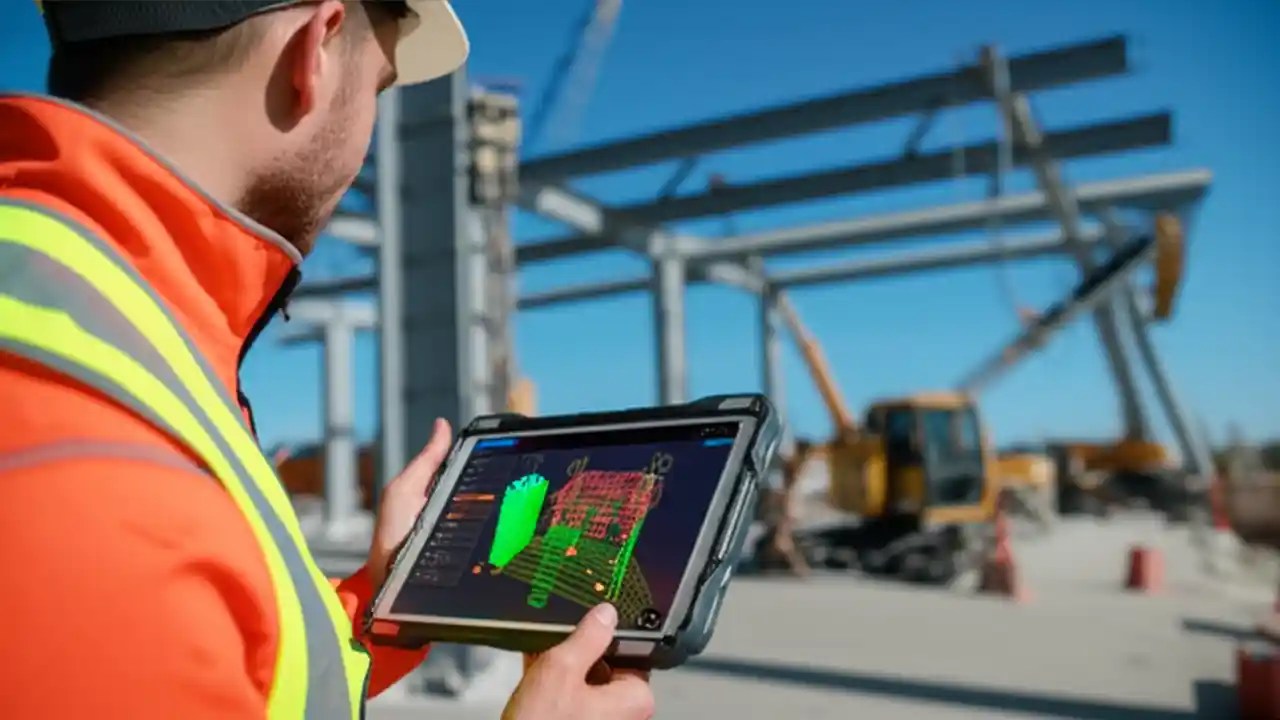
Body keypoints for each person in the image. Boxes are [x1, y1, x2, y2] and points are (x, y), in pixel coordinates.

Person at [0, 2, 654, 719]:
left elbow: (216, 667)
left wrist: (385, 595)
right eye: (375, 89)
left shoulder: (96, 320)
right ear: (316, 48)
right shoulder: (103, 463)